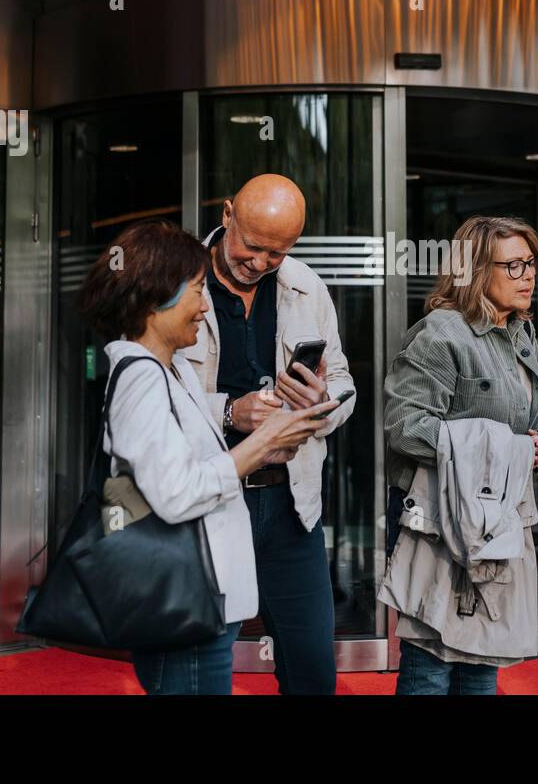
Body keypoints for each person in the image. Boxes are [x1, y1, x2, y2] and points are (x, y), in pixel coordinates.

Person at [77, 219, 335, 695]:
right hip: (182, 597)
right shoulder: (140, 376)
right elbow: (175, 493)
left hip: (197, 591)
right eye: (197, 292)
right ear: (153, 300)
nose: (204, 306)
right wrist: (262, 443)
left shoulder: (168, 371)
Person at [179, 174, 356, 695]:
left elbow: (344, 383)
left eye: (276, 254)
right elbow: (150, 392)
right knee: (201, 672)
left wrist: (320, 403)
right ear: (227, 213)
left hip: (290, 506)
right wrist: (231, 413)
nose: (259, 263)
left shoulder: (307, 285)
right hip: (207, 506)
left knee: (313, 673)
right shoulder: (176, 280)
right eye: (252, 246)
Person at [379, 215, 538, 695]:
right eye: (513, 266)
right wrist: (502, 449)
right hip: (438, 518)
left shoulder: (521, 332)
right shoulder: (441, 334)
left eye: (531, 264)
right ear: (476, 270)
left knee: (482, 652)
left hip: (497, 517)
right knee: (433, 654)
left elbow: (535, 416)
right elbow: (405, 429)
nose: (528, 276)